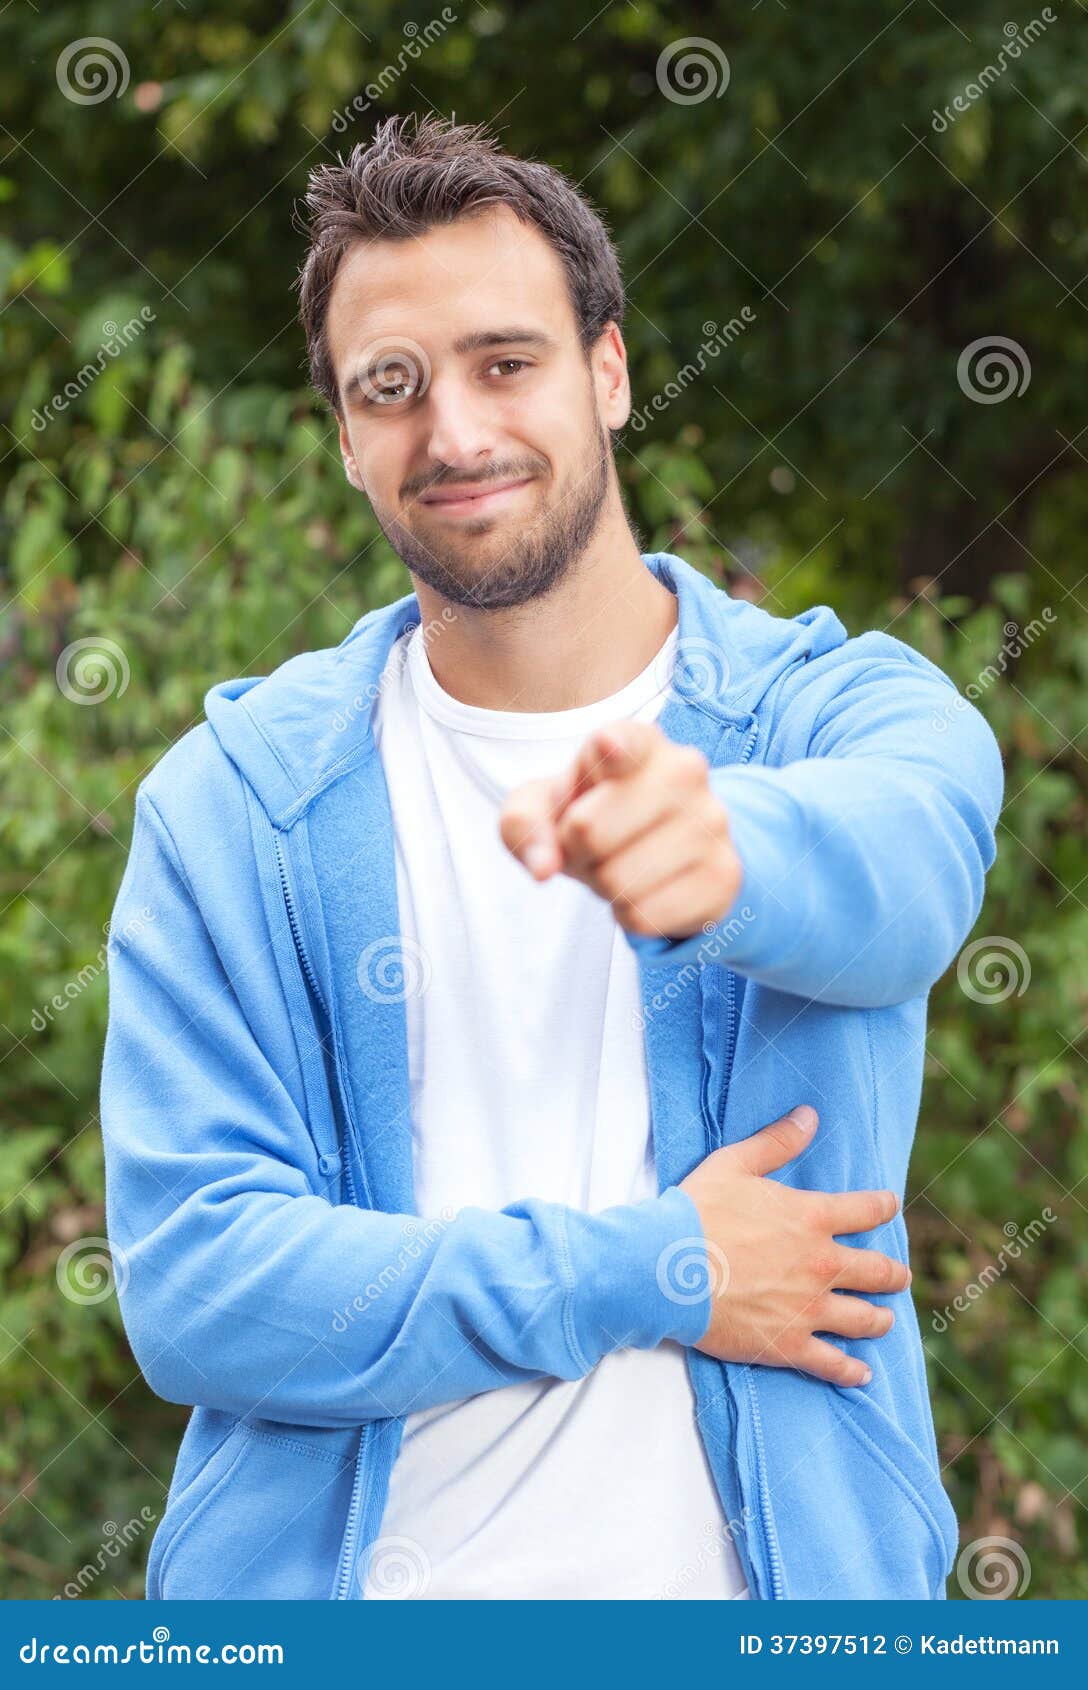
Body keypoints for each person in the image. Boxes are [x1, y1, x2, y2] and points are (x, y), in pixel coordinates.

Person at [100, 114, 1003, 1602]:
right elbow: (202, 1284)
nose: (451, 430)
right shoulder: (233, 805)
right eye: (390, 387)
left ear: (611, 372)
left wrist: (735, 855)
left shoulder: (830, 718)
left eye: (503, 362)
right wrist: (655, 1265)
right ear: (342, 436)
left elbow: (916, 859)